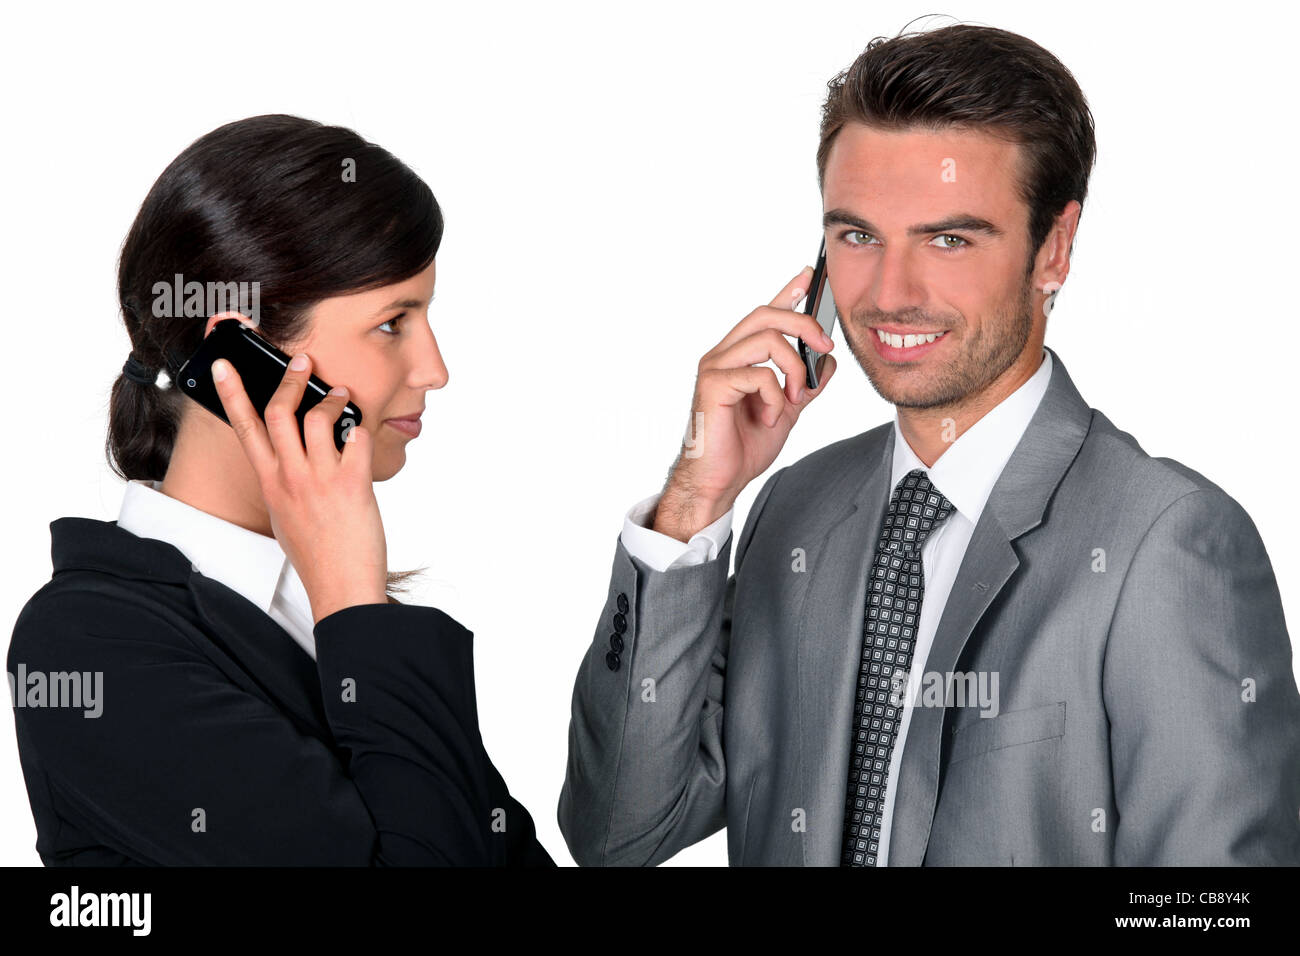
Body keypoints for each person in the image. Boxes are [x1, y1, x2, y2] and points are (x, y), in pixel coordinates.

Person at [557, 22, 1300, 866]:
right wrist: (695, 501)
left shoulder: (1165, 541)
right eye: (858, 235)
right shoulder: (793, 512)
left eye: (949, 239)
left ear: (1052, 248)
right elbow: (616, 835)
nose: (889, 293)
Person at [8, 114, 554, 866]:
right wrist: (354, 609)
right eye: (393, 323)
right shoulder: (87, 647)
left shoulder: (336, 610)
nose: (435, 369)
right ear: (237, 355)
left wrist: (354, 608)